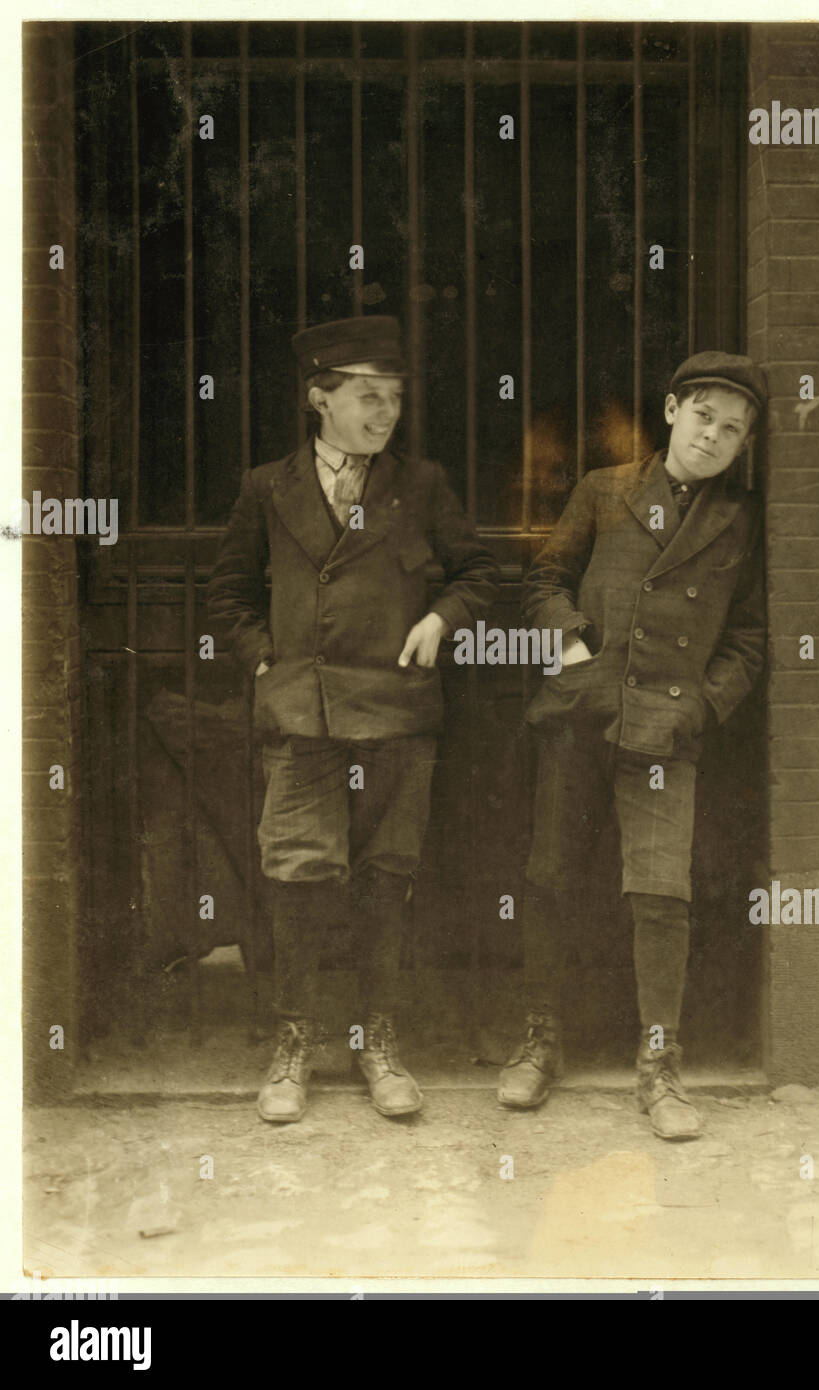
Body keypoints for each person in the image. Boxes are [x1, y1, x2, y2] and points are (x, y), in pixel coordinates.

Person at [207, 315, 499, 1124]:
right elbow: (229, 594)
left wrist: (442, 619)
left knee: (385, 881)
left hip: (398, 714)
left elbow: (477, 574)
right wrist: (265, 659)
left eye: (394, 400)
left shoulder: (422, 485)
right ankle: (294, 1043)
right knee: (300, 878)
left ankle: (378, 1043)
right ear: (318, 398)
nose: (384, 414)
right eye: (367, 397)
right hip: (304, 717)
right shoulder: (267, 488)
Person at [497, 351, 767, 1140]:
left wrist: (701, 708)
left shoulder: (739, 522)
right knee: (549, 877)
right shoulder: (604, 490)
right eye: (704, 417)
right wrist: (570, 647)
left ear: (743, 443)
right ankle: (539, 1043)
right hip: (581, 716)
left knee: (659, 896)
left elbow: (748, 640)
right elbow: (542, 581)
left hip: (666, 730)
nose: (713, 437)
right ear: (673, 410)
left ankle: (659, 1064)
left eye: (733, 429)